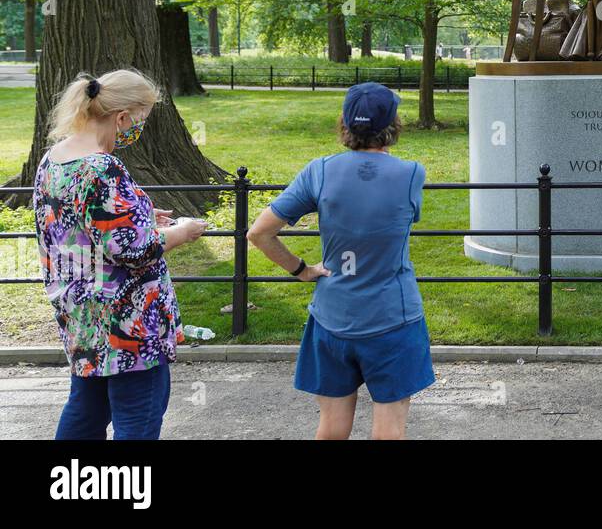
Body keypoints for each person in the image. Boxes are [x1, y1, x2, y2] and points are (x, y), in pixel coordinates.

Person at [248, 83, 432, 439]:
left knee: (331, 428)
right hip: (393, 317)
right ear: (393, 124)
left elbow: (259, 233)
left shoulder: (319, 171)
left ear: (345, 123)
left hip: (331, 318)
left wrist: (303, 271)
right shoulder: (411, 174)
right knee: (389, 431)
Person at [34, 70, 209, 440]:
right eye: (140, 120)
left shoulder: (54, 158)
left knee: (86, 410)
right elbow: (134, 249)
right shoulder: (102, 167)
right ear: (122, 117)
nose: (137, 130)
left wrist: (143, 213)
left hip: (81, 317)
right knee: (139, 417)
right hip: (129, 323)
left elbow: (79, 223)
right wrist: (181, 232)